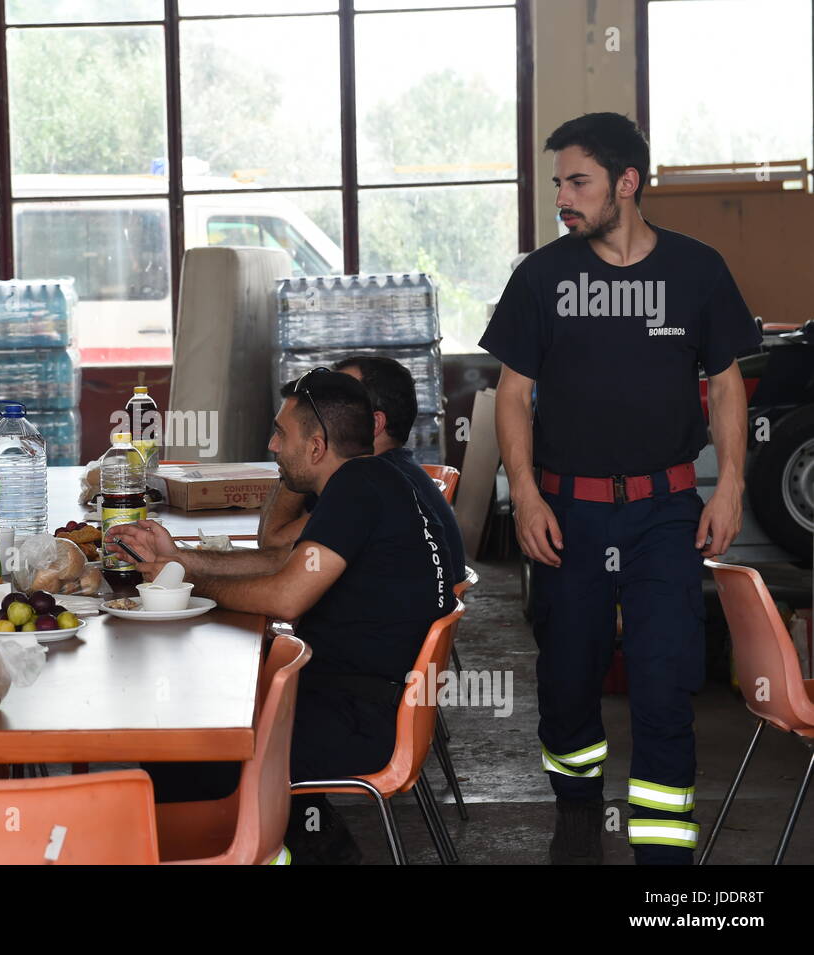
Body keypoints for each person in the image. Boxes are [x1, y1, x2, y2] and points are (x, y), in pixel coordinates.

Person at [480, 112, 759, 865]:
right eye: (558, 183)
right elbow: (511, 394)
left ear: (626, 182)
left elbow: (727, 385)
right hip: (568, 513)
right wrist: (527, 496)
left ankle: (664, 867)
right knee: (568, 679)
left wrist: (730, 484)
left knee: (665, 685)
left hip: (667, 513)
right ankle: (577, 816)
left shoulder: (697, 272)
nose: (563, 197)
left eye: (578, 181)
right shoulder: (542, 277)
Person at [109, 369, 454, 864]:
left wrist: (186, 583)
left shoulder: (359, 486)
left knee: (184, 745)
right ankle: (315, 844)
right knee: (198, 717)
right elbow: (282, 562)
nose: (271, 445)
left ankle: (260, 848)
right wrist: (178, 557)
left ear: (316, 447)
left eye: (280, 433)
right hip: (363, 699)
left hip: (362, 720)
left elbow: (286, 598)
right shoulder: (374, 479)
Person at [259, 355, 466, 586]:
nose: (323, 405)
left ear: (374, 423)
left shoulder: (367, 486)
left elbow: (274, 542)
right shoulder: (379, 470)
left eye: (344, 397)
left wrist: (300, 452)